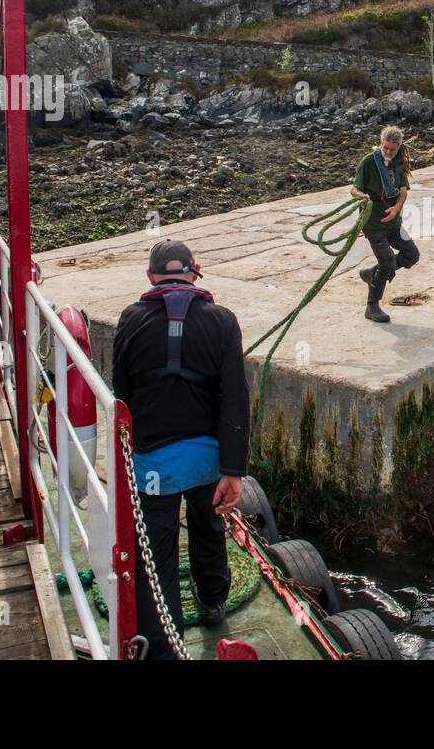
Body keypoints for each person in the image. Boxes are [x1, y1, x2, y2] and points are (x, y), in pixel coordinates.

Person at [112, 239, 250, 659]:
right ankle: (213, 602)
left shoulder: (131, 318)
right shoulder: (224, 321)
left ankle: (163, 648)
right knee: (209, 530)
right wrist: (233, 469)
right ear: (195, 272)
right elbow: (235, 399)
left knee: (156, 556)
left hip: (153, 464)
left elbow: (120, 394)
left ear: (152, 277)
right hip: (209, 462)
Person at [352, 125, 420, 324]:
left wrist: (396, 207)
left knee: (412, 255)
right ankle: (372, 306)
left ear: (399, 147)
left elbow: (403, 190)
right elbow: (354, 189)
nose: (389, 152)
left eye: (393, 149)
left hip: (394, 221)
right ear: (381, 144)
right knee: (388, 262)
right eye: (386, 148)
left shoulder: (399, 162)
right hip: (374, 223)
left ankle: (372, 273)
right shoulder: (368, 162)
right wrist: (363, 196)